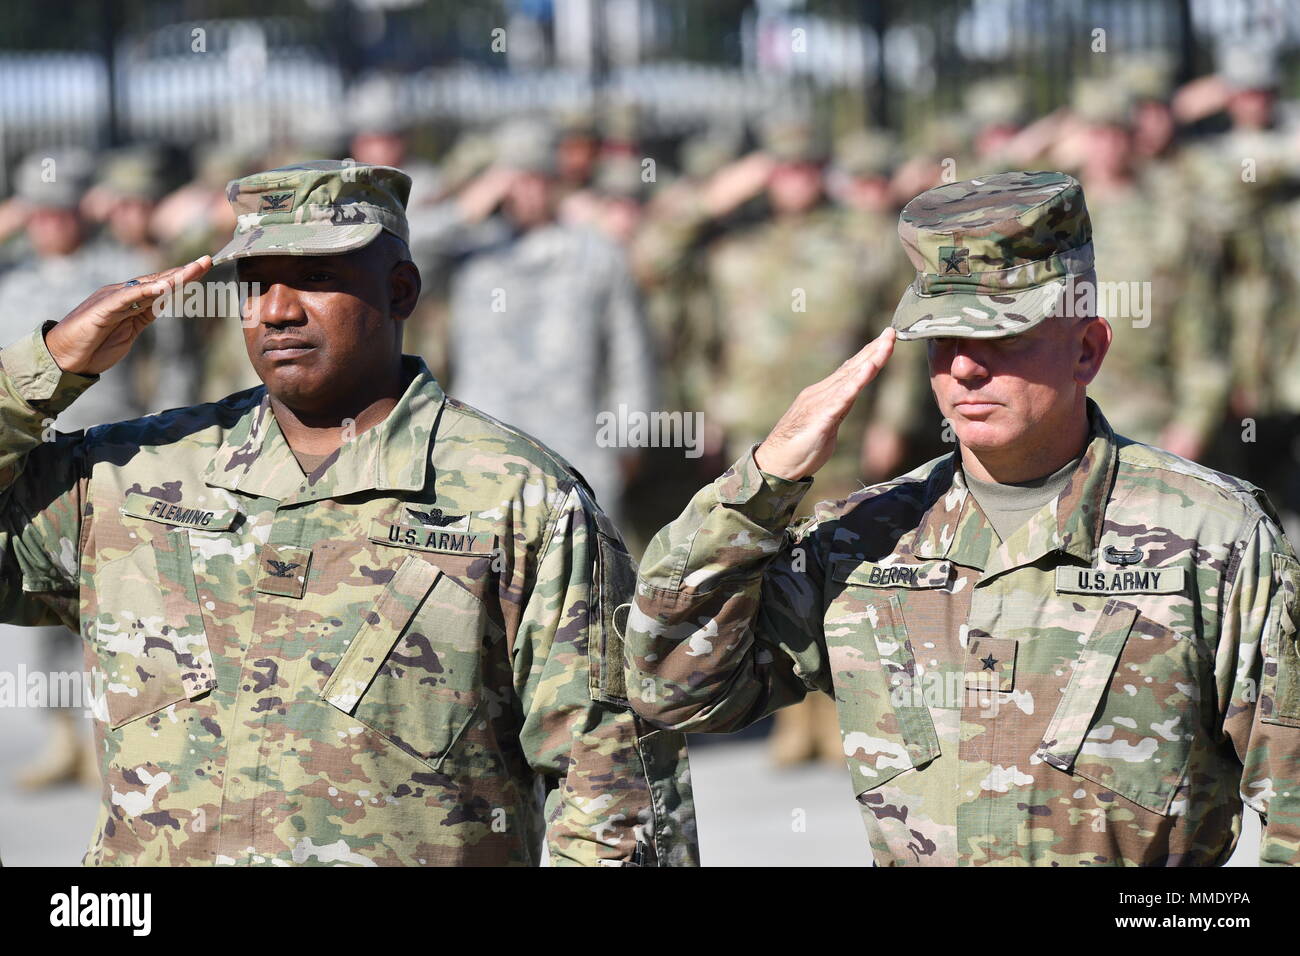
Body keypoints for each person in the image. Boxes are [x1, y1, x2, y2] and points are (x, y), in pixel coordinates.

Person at [0, 159, 696, 866]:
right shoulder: (133, 477)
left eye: (316, 278)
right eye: (256, 284)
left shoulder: (517, 500)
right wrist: (44, 369)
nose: (276, 310)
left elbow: (615, 790)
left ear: (400, 291)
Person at [624, 171, 1300, 866]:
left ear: (1087, 349)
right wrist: (759, 487)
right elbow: (671, 687)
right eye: (944, 338)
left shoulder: (1212, 537)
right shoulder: (869, 540)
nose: (967, 368)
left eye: (1004, 336)